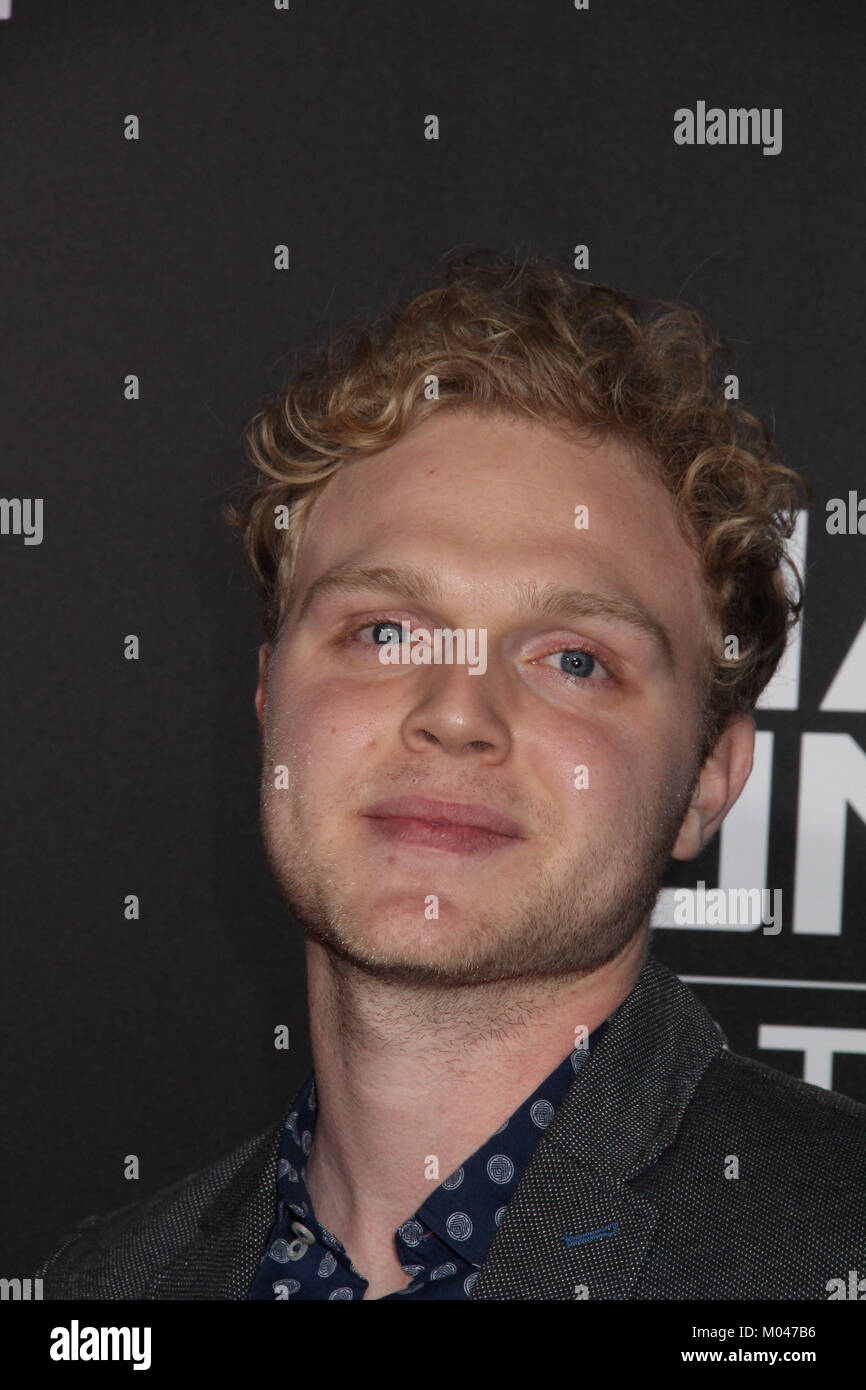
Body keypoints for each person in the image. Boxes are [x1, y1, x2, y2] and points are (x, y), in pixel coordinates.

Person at [34, 254, 866, 1300]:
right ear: (267, 697)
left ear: (708, 774)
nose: (454, 714)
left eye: (572, 659)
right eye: (383, 631)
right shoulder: (105, 1288)